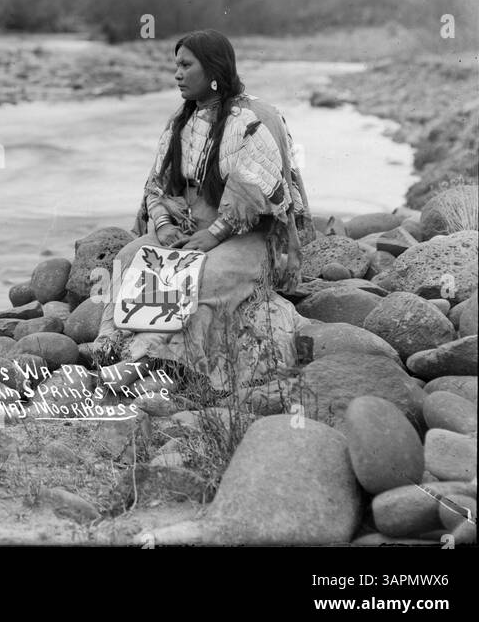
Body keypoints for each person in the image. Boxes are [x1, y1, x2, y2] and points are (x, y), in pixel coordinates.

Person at [88, 29, 314, 396]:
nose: (176, 74)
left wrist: (215, 234)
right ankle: (112, 347)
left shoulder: (256, 119)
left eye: (185, 65)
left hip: (249, 236)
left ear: (213, 68)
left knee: (199, 275)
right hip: (189, 227)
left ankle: (147, 362)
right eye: (175, 65)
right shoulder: (181, 121)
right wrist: (163, 226)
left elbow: (258, 192)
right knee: (131, 257)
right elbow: (158, 185)